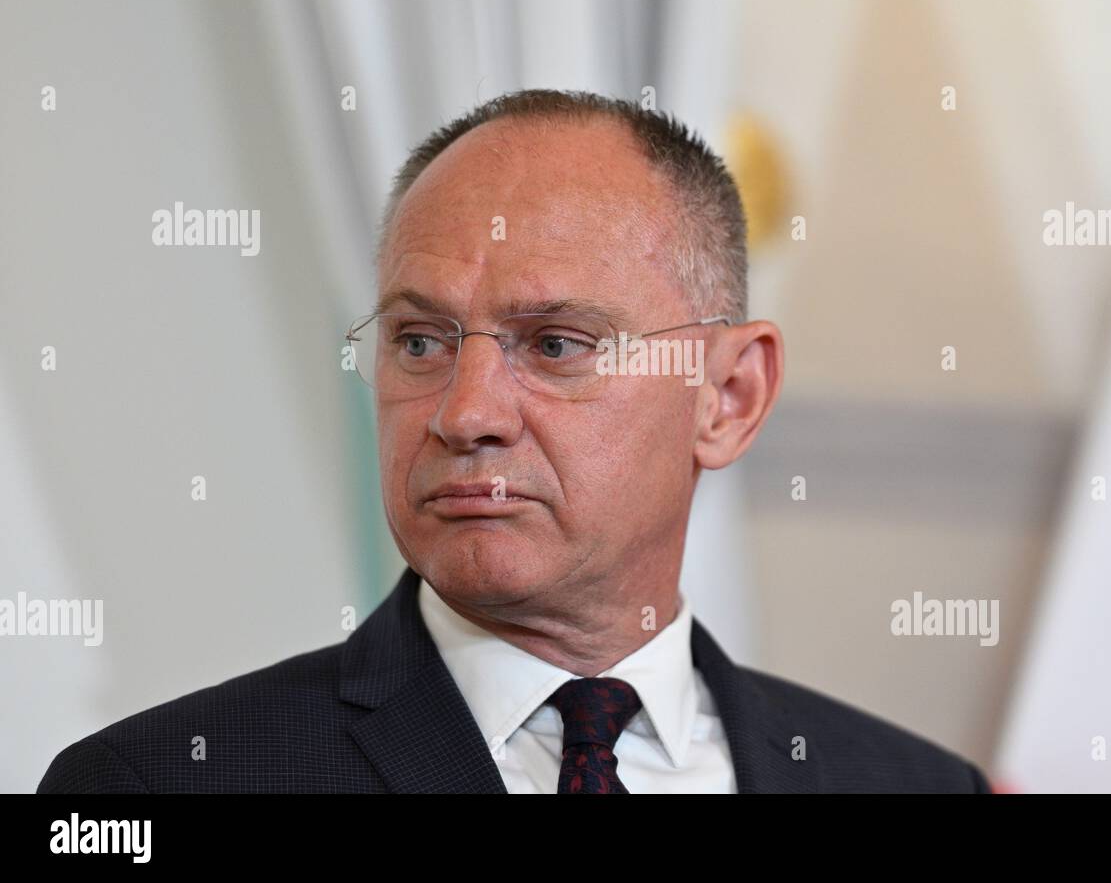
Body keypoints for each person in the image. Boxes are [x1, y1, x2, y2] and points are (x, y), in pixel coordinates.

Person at [38, 89, 990, 793]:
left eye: (556, 345)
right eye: (420, 341)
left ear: (728, 397)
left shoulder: (914, 786)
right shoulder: (156, 788)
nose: (465, 412)